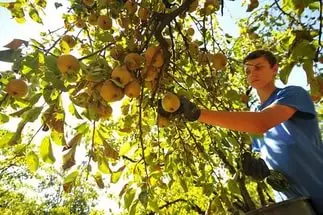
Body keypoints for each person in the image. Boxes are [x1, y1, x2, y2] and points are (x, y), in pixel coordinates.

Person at [158, 50, 323, 214]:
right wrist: (260, 169)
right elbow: (268, 157)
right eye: (248, 71)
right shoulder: (253, 113)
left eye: (259, 67)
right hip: (293, 206)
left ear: (274, 69)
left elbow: (261, 122)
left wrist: (198, 114)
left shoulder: (292, 94)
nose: (253, 73)